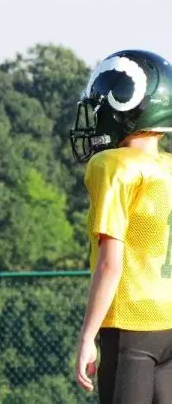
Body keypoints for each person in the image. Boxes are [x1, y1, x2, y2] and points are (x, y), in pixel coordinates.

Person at [70, 49, 172, 403]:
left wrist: (87, 337)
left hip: (130, 324)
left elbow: (111, 263)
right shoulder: (168, 167)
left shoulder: (115, 166)